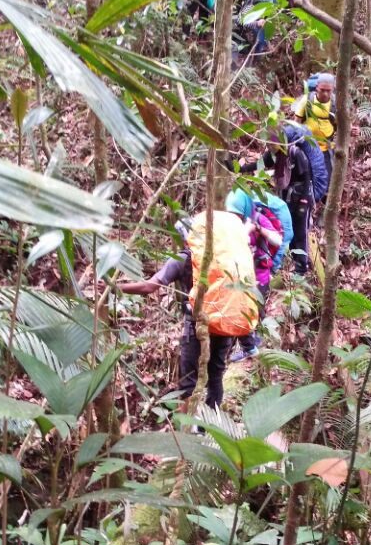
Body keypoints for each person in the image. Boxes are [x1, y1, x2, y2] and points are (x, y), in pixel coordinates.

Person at [118, 212, 259, 409]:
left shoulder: (183, 259)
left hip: (196, 325)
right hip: (222, 319)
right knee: (216, 375)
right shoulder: (219, 258)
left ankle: (187, 430)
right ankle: (209, 425)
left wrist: (116, 287)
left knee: (188, 380)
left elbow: (150, 286)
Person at [224, 190, 285, 362]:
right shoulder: (230, 223)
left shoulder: (258, 218)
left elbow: (278, 240)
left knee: (254, 308)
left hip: (259, 273)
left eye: (236, 213)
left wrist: (258, 229)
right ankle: (249, 344)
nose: (233, 216)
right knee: (242, 308)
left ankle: (255, 345)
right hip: (239, 275)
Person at [259, 122, 327, 275]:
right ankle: (293, 263)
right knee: (288, 228)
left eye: (272, 144)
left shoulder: (295, 152)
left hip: (302, 196)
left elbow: (307, 178)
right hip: (288, 196)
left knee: (301, 231)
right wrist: (237, 168)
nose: (270, 148)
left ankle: (301, 269)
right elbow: (259, 164)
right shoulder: (276, 154)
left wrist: (304, 202)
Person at [293, 73, 338, 183]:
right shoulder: (307, 100)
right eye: (322, 90)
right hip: (307, 143)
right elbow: (296, 122)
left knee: (326, 176)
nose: (325, 94)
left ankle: (323, 198)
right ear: (317, 87)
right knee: (304, 173)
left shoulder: (336, 103)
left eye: (329, 91)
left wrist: (353, 131)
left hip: (326, 146)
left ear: (333, 89)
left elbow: (344, 124)